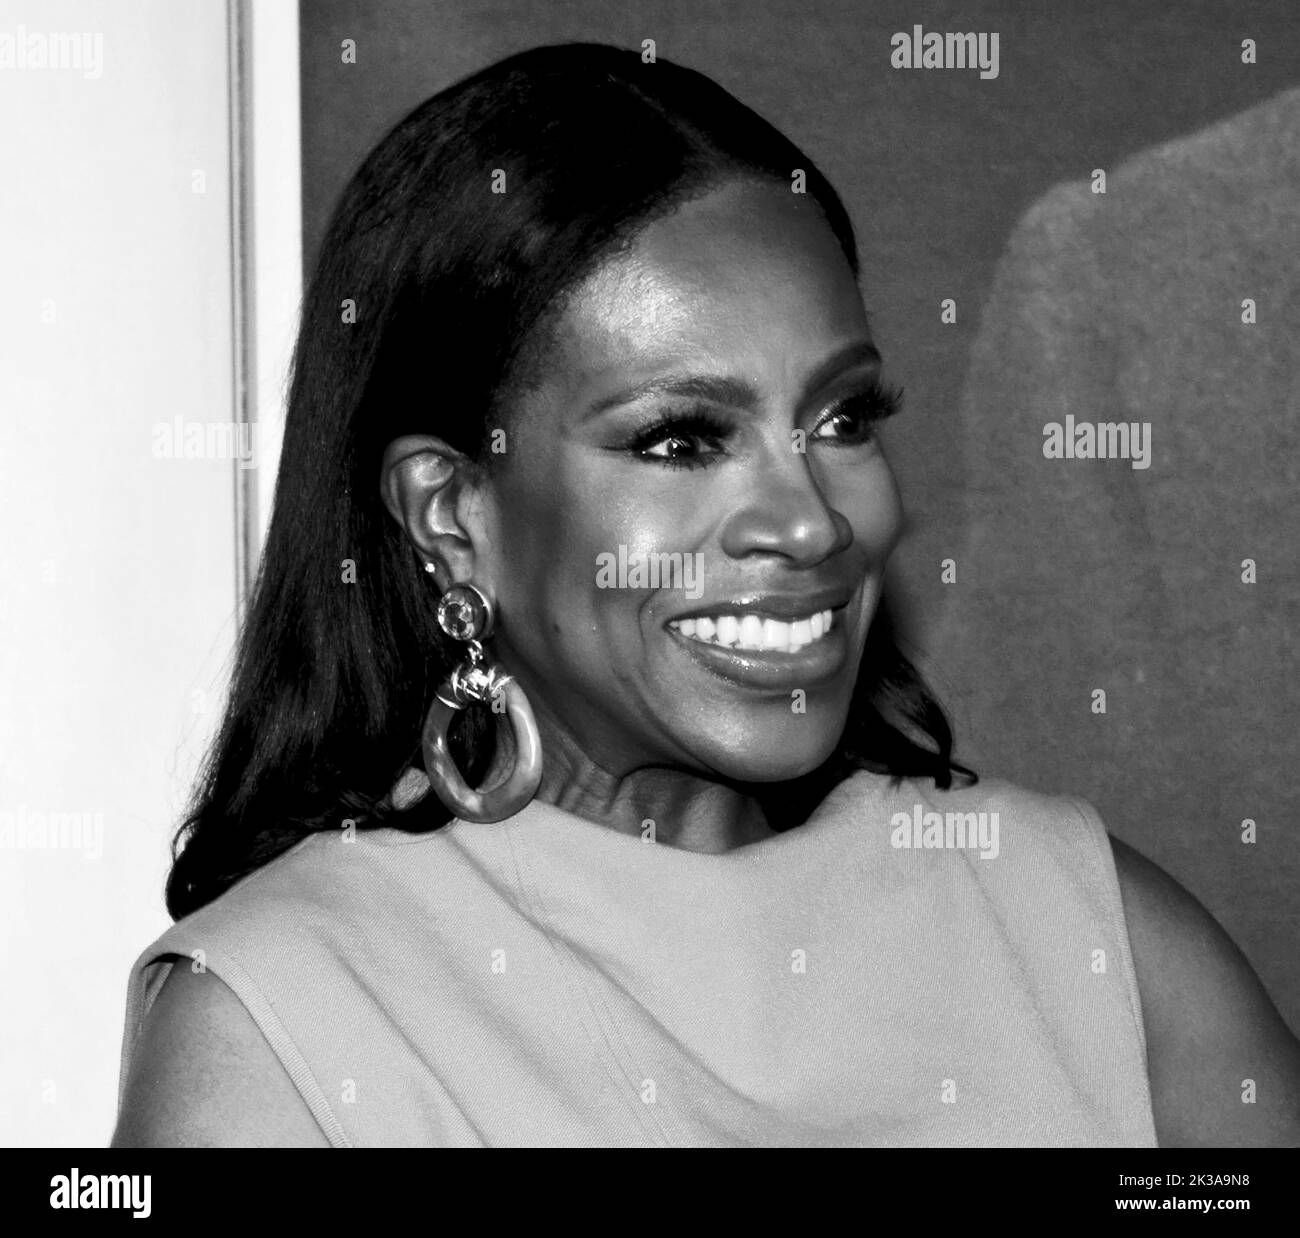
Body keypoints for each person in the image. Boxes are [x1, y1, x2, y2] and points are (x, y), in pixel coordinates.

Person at [112, 42, 1300, 1148]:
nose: (811, 520)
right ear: (450, 512)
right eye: (682, 439)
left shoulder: (1087, 932)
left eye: (841, 420)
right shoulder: (280, 1020)